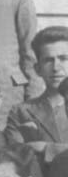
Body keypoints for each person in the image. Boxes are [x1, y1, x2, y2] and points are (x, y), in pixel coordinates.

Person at [7, 26, 68, 165]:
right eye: (48, 60)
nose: (56, 67)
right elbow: (16, 159)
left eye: (64, 59)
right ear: (38, 69)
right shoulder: (21, 112)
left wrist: (47, 148)